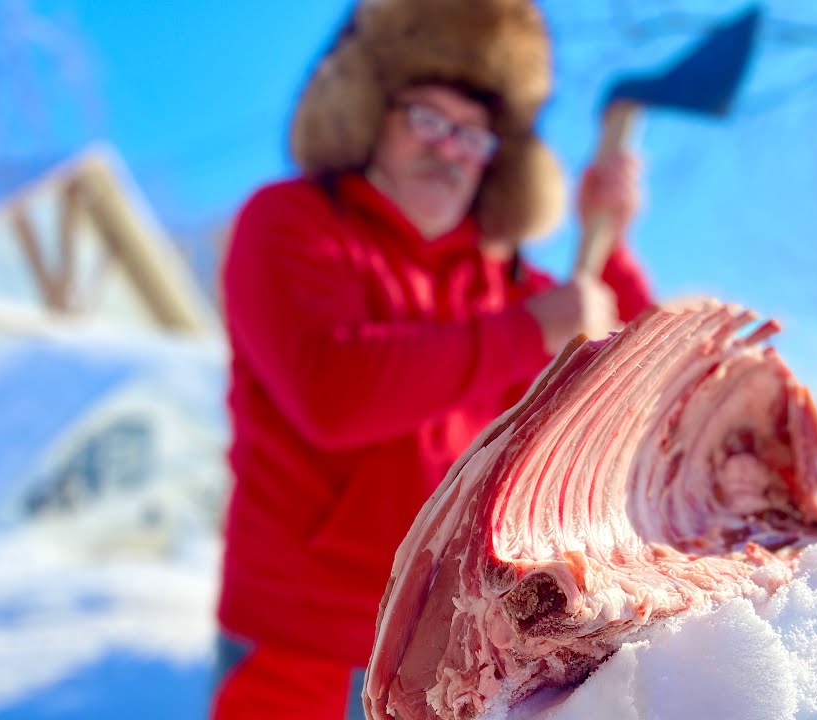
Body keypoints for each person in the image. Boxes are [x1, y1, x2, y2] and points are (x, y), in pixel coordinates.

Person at [211, 1, 653, 717]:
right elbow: (332, 392)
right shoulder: (290, 223)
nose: (450, 148)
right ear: (370, 114)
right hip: (305, 647)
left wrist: (615, 243)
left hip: (458, 658)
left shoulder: (506, 284)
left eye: (474, 137)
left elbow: (619, 378)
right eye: (429, 120)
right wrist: (523, 331)